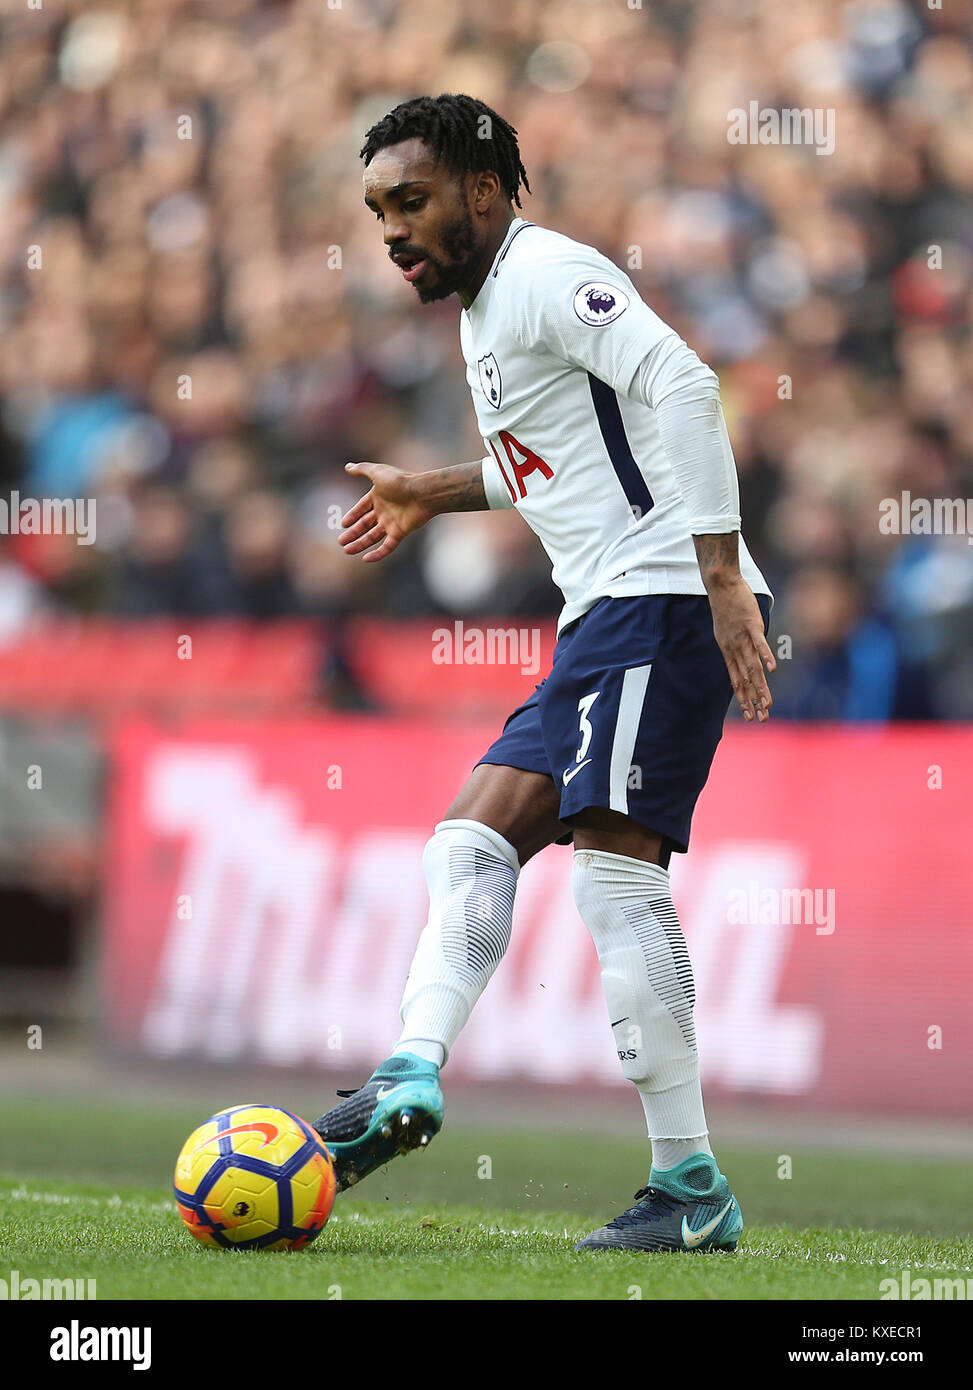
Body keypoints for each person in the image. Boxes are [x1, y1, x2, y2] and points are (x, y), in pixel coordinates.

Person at [314, 94, 775, 1253]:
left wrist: (721, 577)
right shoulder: (488, 310)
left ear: (481, 190)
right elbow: (551, 466)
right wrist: (434, 489)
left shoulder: (546, 275)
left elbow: (685, 385)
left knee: (615, 878)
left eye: (410, 201)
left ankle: (689, 1186)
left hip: (662, 594)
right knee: (468, 841)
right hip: (608, 613)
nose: (392, 230)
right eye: (378, 211)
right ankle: (408, 1068)